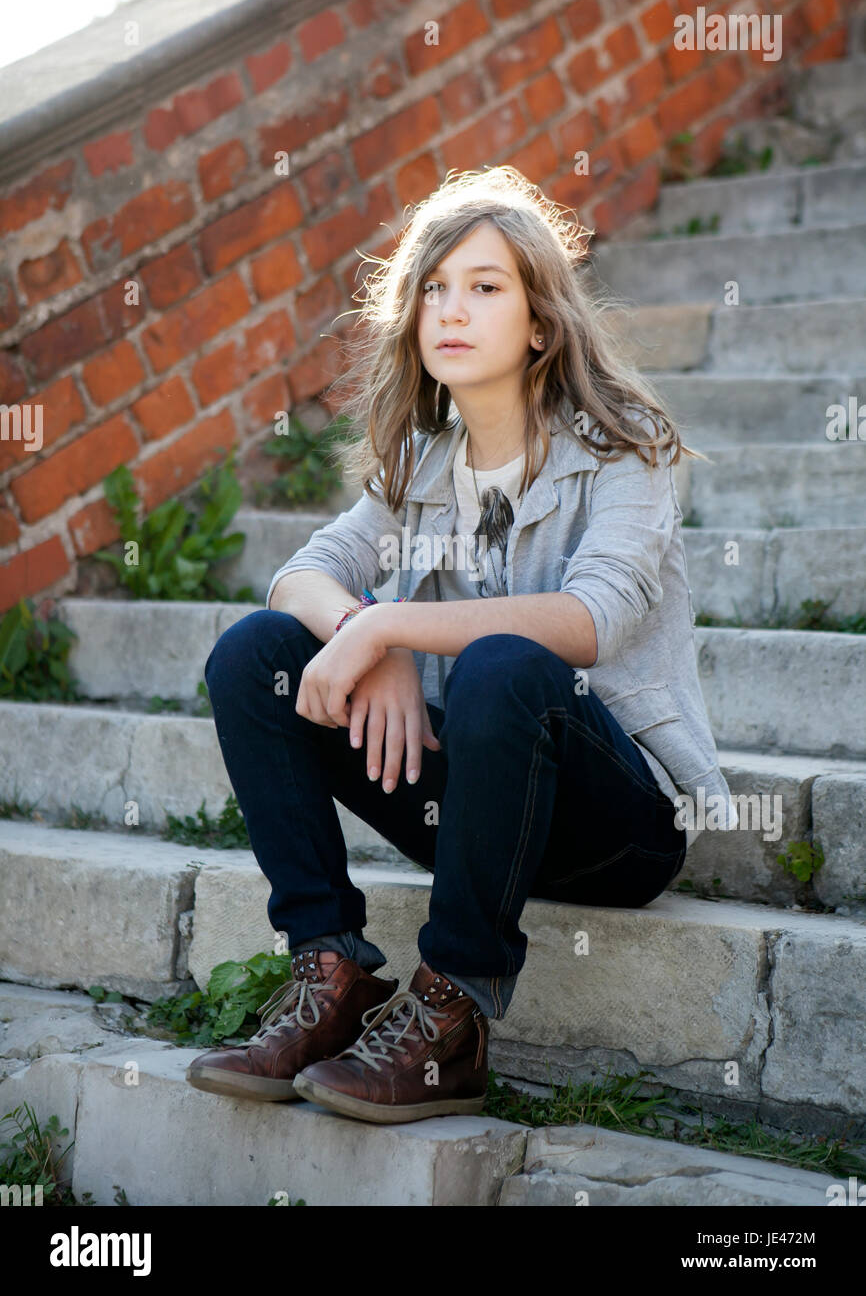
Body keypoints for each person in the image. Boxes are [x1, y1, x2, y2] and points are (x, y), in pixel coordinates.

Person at [186, 166, 737, 1126]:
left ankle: (454, 1013)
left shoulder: (625, 449)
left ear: (538, 322)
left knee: (505, 664)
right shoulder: (420, 466)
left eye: (485, 287)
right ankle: (331, 973)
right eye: (434, 287)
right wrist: (370, 632)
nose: (452, 308)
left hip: (616, 827)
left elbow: (585, 621)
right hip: (474, 809)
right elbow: (299, 577)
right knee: (255, 655)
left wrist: (394, 625)